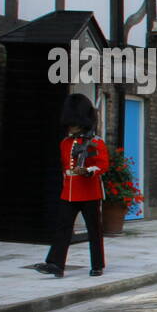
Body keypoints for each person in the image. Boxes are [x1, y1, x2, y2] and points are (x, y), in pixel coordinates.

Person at [35, 93, 109, 279]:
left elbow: (103, 164)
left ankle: (97, 265)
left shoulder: (96, 142)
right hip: (69, 192)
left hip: (90, 192)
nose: (70, 126)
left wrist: (88, 170)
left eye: (73, 123)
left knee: (94, 230)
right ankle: (55, 264)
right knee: (63, 228)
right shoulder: (65, 143)